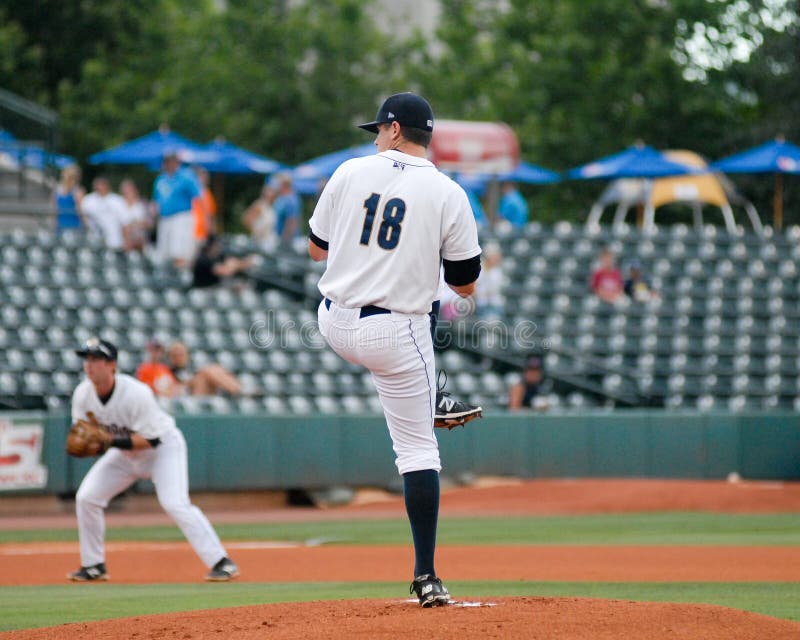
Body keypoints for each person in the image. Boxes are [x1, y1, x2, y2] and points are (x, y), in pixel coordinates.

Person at [308, 92, 482, 607]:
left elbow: (316, 248)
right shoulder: (449, 192)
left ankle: (431, 391)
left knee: (411, 309)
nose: (377, 136)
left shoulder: (348, 172)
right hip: (396, 335)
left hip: (335, 323)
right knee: (417, 450)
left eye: (379, 129)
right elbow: (466, 286)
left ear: (396, 128)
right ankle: (426, 576)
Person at [67, 337, 239, 582]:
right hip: (124, 454)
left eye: (96, 359)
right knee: (87, 498)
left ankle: (222, 561)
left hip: (163, 450)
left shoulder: (136, 393)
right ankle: (93, 565)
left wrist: (107, 441)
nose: (89, 365)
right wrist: (94, 444)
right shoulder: (82, 394)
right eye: (87, 359)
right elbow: (83, 434)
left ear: (112, 364)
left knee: (175, 503)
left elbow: (151, 440)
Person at [152, 151, 201, 268]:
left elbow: (199, 198)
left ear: (176, 162)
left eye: (170, 161)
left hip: (181, 217)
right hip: (164, 218)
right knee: (164, 252)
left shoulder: (186, 176)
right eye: (166, 161)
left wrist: (204, 220)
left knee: (179, 251)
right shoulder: (161, 179)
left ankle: (181, 277)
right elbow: (156, 201)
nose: (167, 164)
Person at [167, 340, 242, 396]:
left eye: (181, 354)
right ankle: (239, 390)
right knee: (207, 372)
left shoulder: (190, 369)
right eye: (175, 355)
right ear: (170, 357)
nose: (178, 358)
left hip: (203, 393)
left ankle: (236, 390)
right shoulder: (167, 371)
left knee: (213, 369)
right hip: (189, 397)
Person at [191, 234, 256, 289]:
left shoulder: (218, 256)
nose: (219, 247)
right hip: (202, 289)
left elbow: (232, 261)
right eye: (216, 245)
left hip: (214, 288)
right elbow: (225, 271)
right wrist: (242, 265)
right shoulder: (203, 259)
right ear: (211, 246)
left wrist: (244, 262)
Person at [80, 176, 128, 250]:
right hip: (93, 241)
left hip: (115, 241)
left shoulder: (117, 200)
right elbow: (83, 218)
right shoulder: (88, 200)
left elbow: (124, 222)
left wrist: (126, 240)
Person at [119, 178, 152, 252]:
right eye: (125, 193)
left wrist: (135, 225)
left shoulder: (143, 205)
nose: (128, 194)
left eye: (129, 191)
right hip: (125, 241)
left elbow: (149, 223)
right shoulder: (119, 205)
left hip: (141, 241)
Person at [474, 241, 505, 319]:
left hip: (495, 303)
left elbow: (497, 289)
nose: (497, 258)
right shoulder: (478, 267)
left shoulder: (498, 270)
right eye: (494, 256)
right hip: (480, 303)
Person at [243, 184, 278, 251]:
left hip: (269, 242)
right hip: (259, 242)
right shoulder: (259, 205)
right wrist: (256, 230)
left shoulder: (272, 207)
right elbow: (246, 219)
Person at [54, 164, 86, 231]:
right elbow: (81, 211)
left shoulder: (57, 190)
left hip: (61, 224)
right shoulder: (78, 191)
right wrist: (86, 224)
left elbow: (54, 209)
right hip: (73, 225)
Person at [272, 173, 302, 243]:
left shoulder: (291, 200)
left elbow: (291, 220)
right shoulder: (280, 198)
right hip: (278, 236)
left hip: (287, 239)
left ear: (284, 185)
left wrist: (284, 239)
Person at [192, 166, 217, 243]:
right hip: (192, 231)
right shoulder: (192, 192)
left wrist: (213, 236)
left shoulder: (207, 193)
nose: (206, 178)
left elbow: (211, 214)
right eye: (203, 175)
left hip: (201, 232)